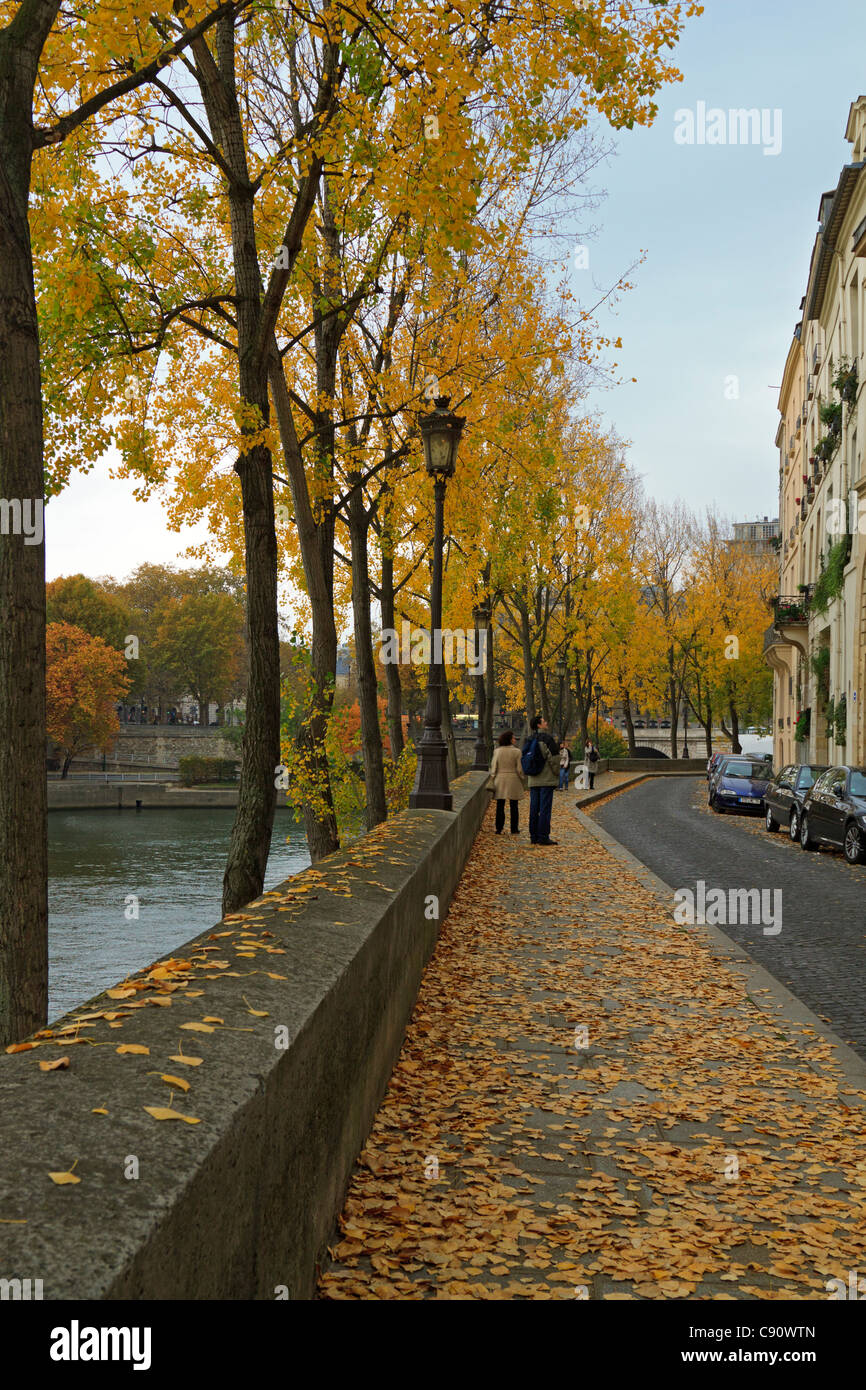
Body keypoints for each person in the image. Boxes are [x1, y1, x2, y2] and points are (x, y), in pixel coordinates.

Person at [523, 714, 560, 845]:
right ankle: (543, 836)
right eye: (544, 721)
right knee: (544, 808)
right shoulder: (548, 739)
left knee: (534, 808)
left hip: (533, 780)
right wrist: (556, 773)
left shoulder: (529, 739)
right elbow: (554, 759)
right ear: (539, 725)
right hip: (546, 779)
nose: (546, 722)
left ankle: (533, 836)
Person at [489, 730, 525, 835]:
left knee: (500, 805)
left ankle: (499, 828)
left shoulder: (497, 751)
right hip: (513, 779)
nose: (515, 739)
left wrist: (493, 777)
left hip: (500, 779)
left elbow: (494, 766)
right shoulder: (517, 752)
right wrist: (522, 778)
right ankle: (514, 828)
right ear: (509, 739)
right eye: (513, 738)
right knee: (514, 805)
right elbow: (519, 768)